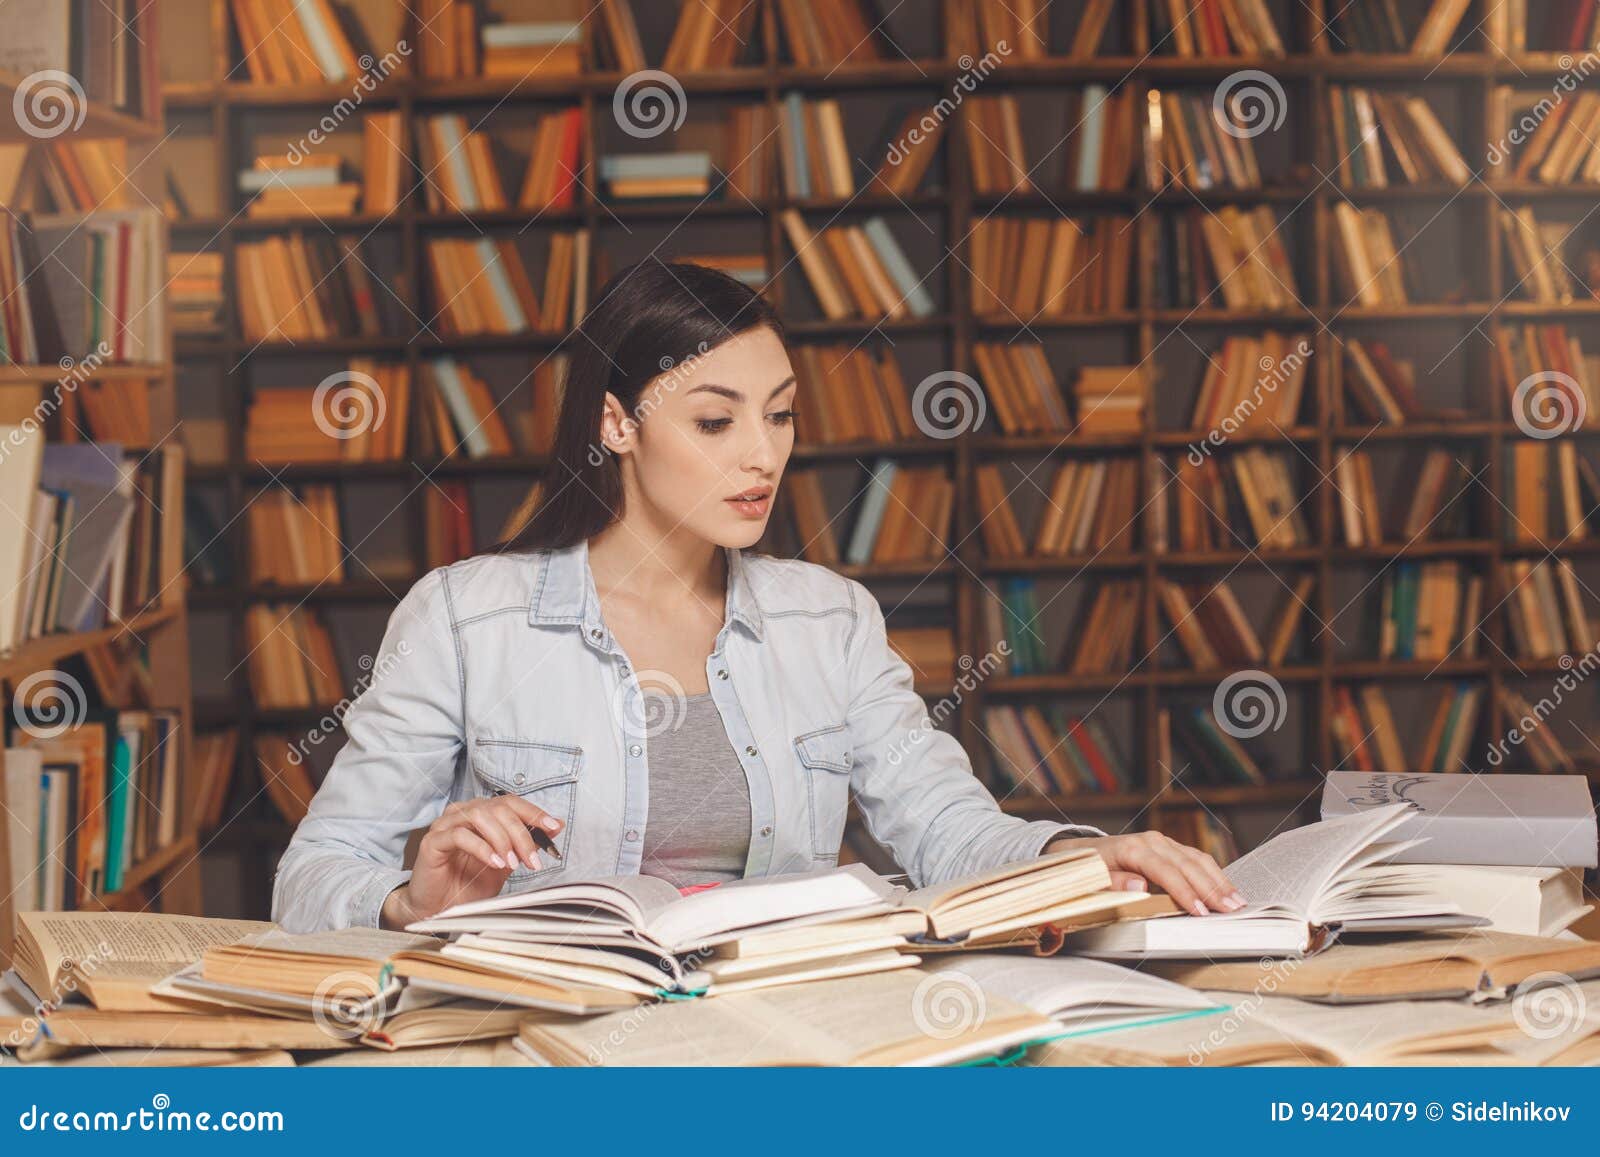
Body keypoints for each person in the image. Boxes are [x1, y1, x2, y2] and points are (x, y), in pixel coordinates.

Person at [270, 259, 1243, 933]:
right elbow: (313, 875)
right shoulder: (463, 617)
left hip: (785, 1040)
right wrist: (407, 899)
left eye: (779, 414)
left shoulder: (831, 618)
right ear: (616, 422)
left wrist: (1082, 855)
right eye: (714, 418)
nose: (762, 453)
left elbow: (948, 826)